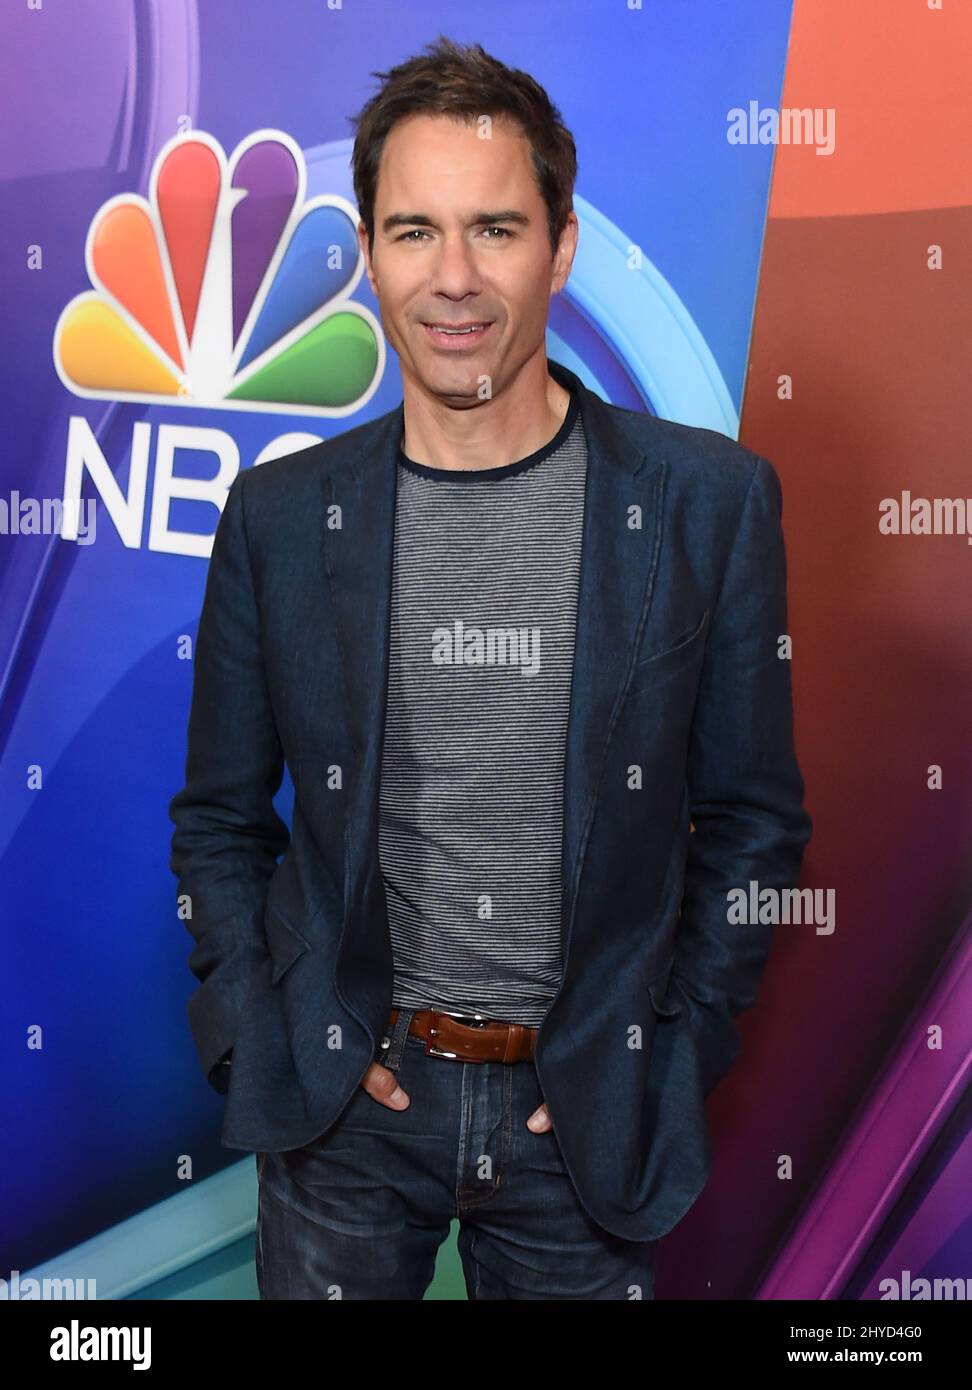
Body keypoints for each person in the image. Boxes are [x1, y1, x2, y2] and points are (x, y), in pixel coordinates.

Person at [169, 35, 812, 1300]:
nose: (452, 279)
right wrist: (265, 1036)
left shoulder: (705, 505)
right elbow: (218, 824)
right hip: (346, 1113)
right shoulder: (282, 518)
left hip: (585, 1123)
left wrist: (665, 1050)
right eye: (413, 231)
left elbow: (754, 824)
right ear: (367, 249)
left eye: (496, 230)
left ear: (562, 247)